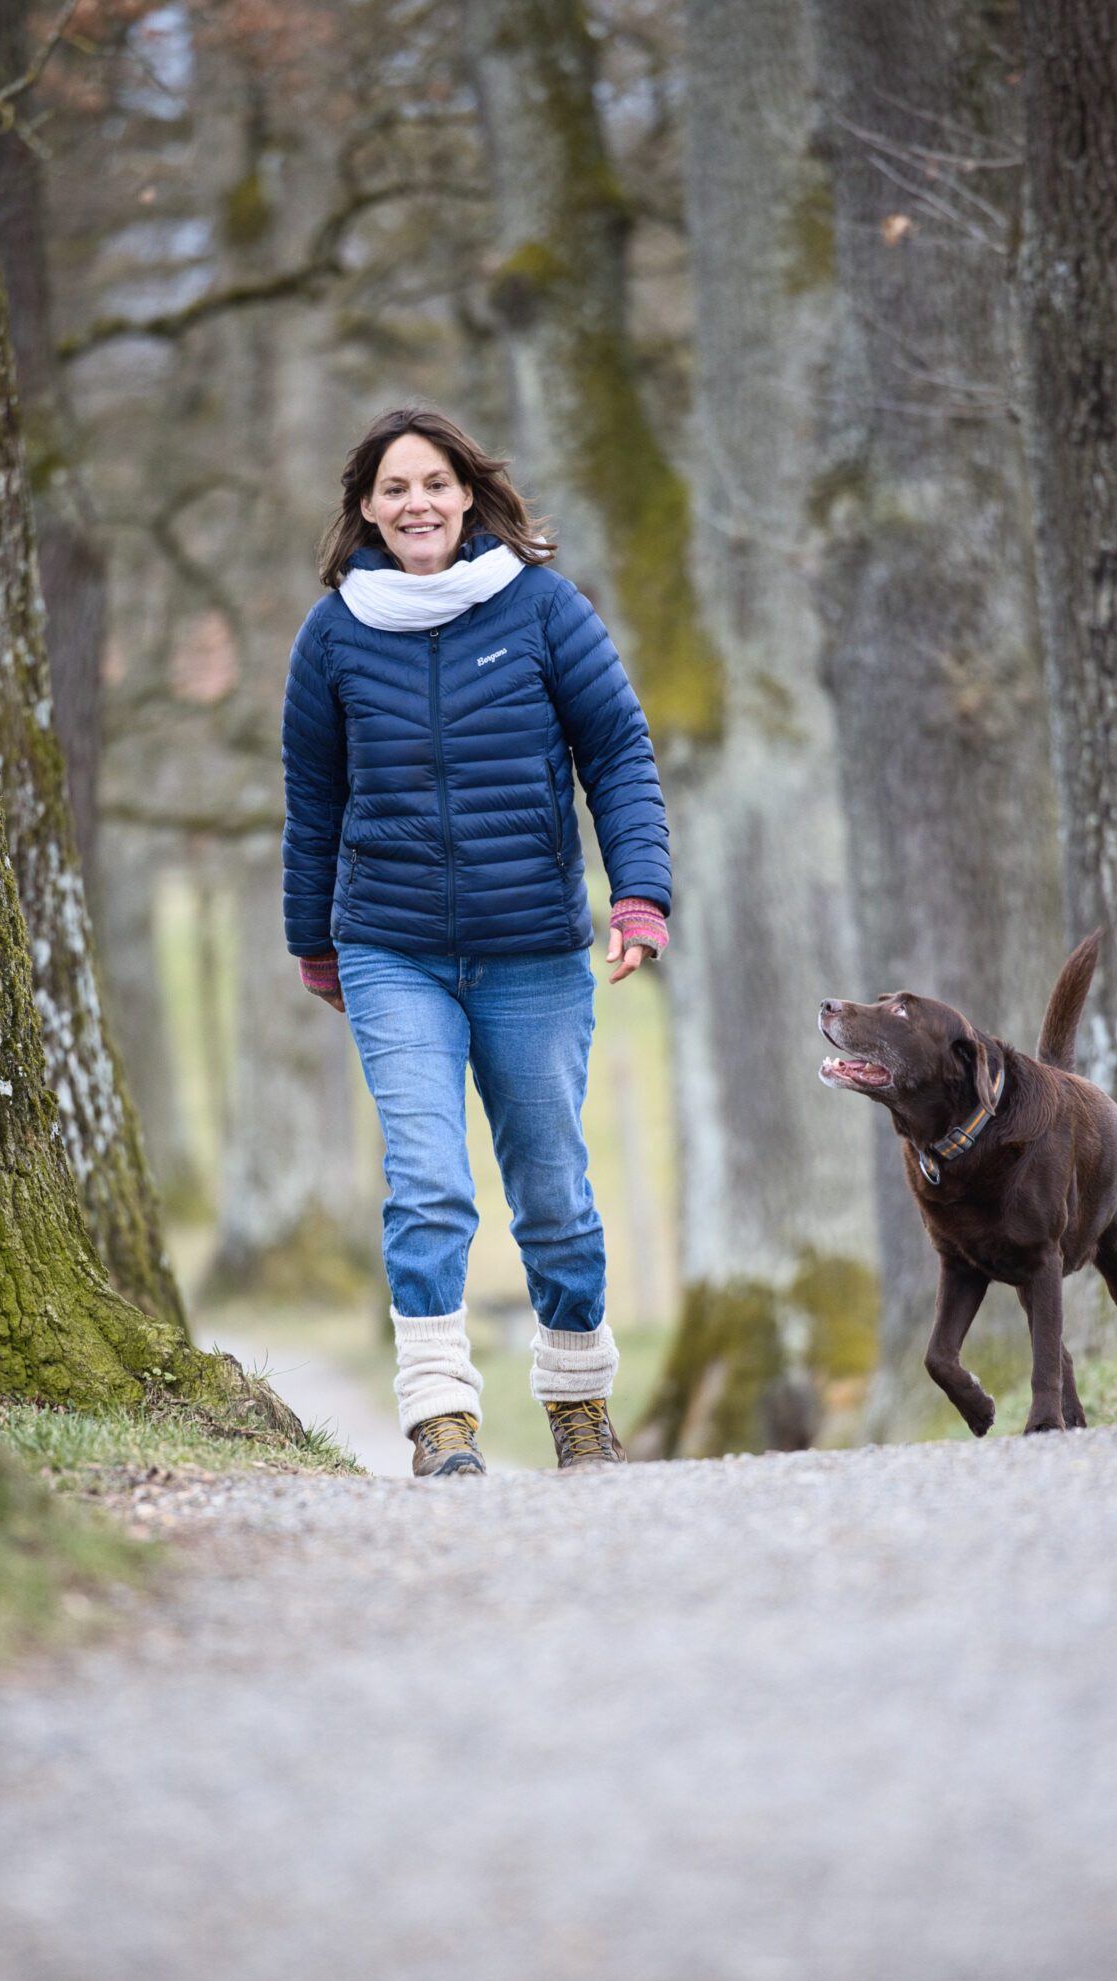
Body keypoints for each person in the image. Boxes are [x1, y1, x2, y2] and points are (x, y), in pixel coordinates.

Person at [282, 406, 671, 1476]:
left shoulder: (543, 608)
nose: (416, 503)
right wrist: (311, 938)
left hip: (532, 948)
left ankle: (578, 1404)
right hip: (391, 946)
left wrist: (638, 897)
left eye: (435, 483)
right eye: (394, 487)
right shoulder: (334, 633)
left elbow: (620, 755)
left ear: (469, 495)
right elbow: (312, 797)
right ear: (365, 506)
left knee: (551, 1189)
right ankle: (440, 1415)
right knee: (426, 1179)